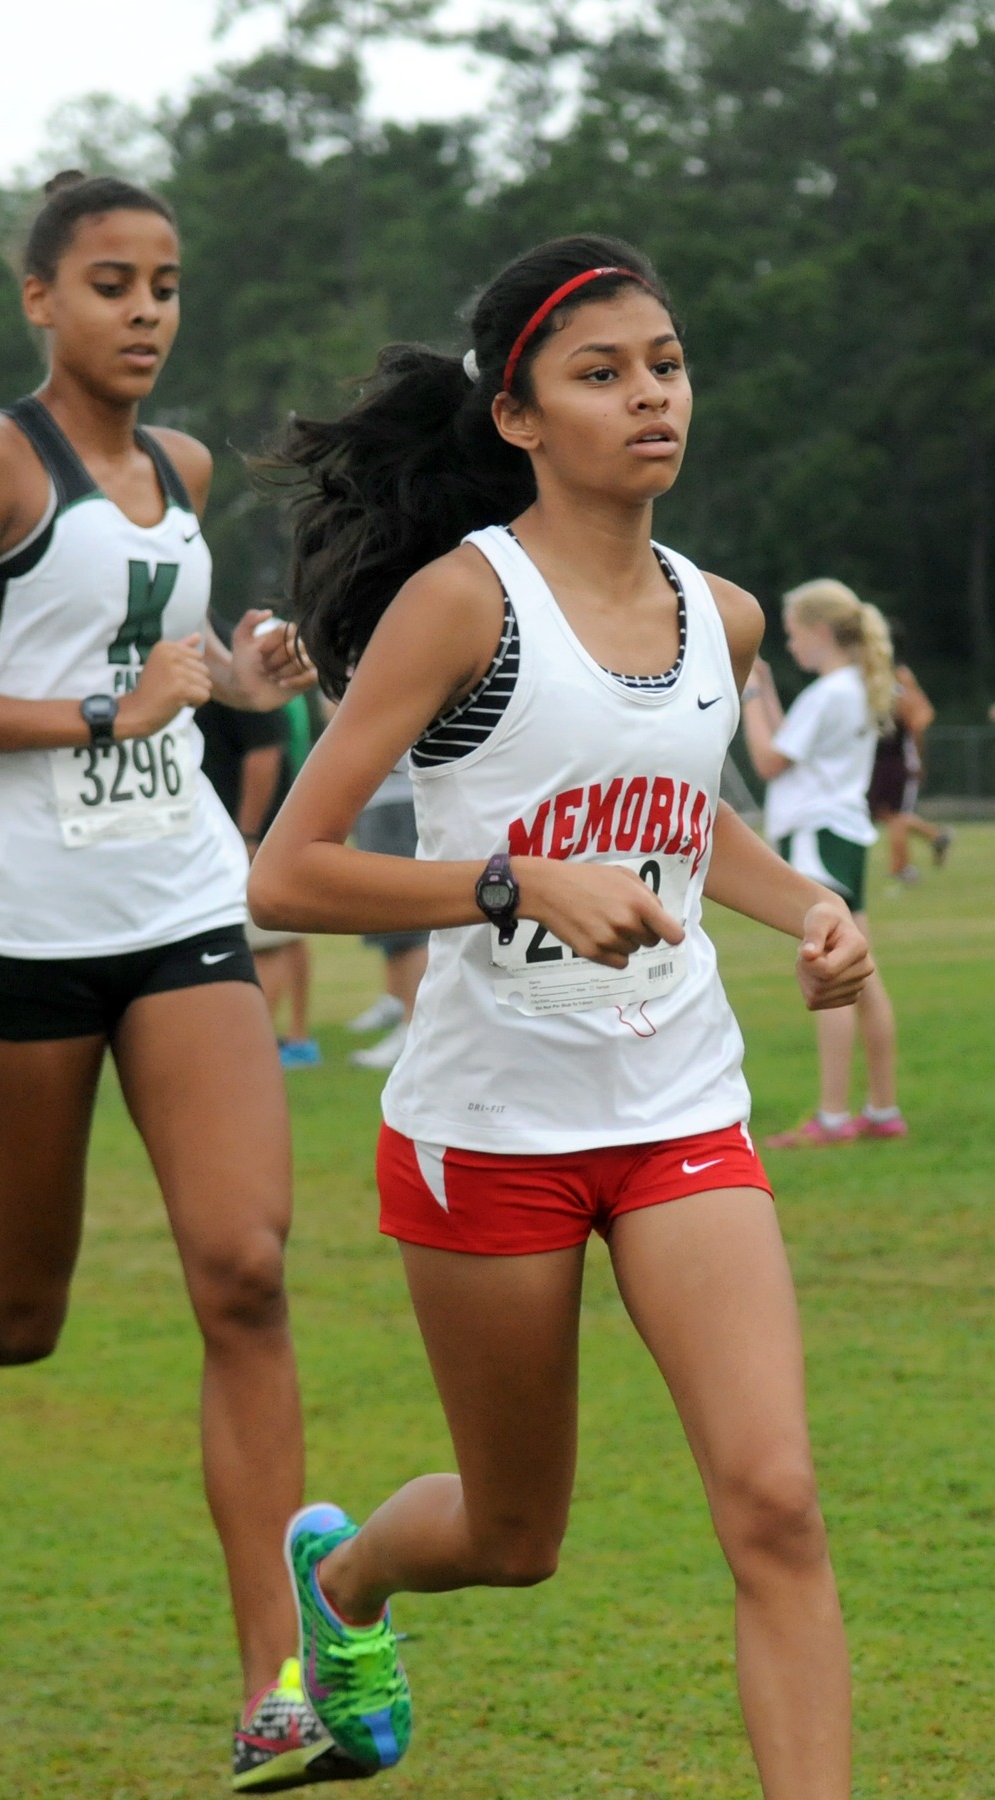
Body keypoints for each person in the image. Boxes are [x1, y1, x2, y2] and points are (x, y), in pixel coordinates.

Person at [248, 236, 874, 1798]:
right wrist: (512, 884)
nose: (650, 397)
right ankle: (342, 1589)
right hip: (491, 1133)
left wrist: (805, 904)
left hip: (680, 1108)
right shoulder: (467, 606)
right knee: (515, 1537)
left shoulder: (720, 616)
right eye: (602, 375)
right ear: (519, 417)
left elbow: (689, 813)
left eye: (664, 364)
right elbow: (292, 870)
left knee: (778, 1502)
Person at [0, 173, 355, 1795]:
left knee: (244, 1271)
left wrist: (242, 683)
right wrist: (102, 722)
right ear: (40, 300)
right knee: (19, 1311)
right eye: (111, 283)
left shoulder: (176, 471)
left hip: (176, 899)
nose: (147, 312)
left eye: (166, 284)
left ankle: (276, 1690)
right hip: (10, 925)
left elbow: (165, 678)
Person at [742, 581, 908, 1146]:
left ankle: (833, 1118)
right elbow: (791, 743)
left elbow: (768, 759)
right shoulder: (849, 687)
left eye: (791, 634)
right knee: (865, 977)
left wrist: (744, 697)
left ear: (817, 632)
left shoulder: (831, 692)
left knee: (832, 974)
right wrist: (763, 686)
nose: (789, 646)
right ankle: (882, 1112)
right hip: (843, 835)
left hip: (818, 838)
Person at [196, 688, 321, 1068]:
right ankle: (295, 1038)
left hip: (251, 833)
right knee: (284, 937)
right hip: (266, 828)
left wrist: (248, 834)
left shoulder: (240, 685)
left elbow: (265, 753)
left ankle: (250, 1051)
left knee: (262, 945)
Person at [347, 764, 428, 1071]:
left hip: (399, 796)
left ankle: (413, 1029)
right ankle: (398, 1008)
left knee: (409, 919)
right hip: (384, 798)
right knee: (391, 920)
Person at [866, 640, 951, 884]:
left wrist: (919, 760)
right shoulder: (871, 684)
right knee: (884, 812)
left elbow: (921, 719)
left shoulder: (899, 686)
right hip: (878, 759)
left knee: (898, 814)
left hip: (897, 758)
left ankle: (900, 868)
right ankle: (935, 835)